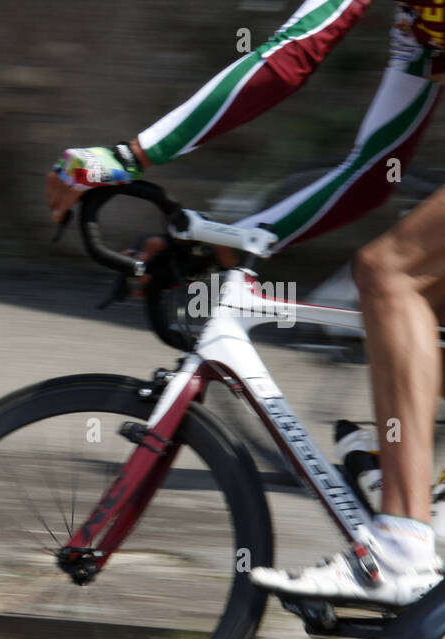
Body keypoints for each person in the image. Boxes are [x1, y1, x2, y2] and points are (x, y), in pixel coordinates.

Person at [49, 0, 445, 607]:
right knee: (422, 301)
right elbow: (372, 168)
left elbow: (291, 55)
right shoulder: (420, 26)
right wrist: (245, 237)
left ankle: (401, 548)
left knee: (389, 277)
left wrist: (129, 157)